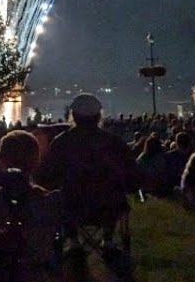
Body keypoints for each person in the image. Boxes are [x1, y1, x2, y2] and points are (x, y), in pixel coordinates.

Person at [35, 93, 140, 251]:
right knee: (113, 193)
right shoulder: (114, 143)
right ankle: (108, 238)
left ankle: (73, 239)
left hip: (73, 207)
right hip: (108, 207)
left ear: (74, 116)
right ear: (98, 117)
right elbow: (131, 175)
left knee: (61, 196)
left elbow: (46, 175)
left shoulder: (61, 143)